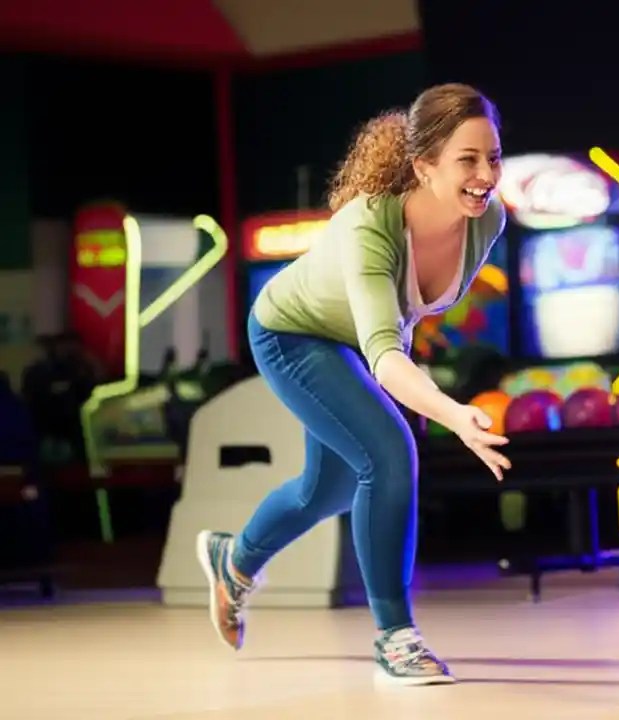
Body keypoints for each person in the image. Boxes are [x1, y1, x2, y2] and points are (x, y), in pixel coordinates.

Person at [195, 83, 512, 686]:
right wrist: (450, 411)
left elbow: (405, 315)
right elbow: (384, 353)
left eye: (492, 156)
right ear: (423, 165)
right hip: (291, 334)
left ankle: (232, 561)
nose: (484, 174)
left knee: (329, 489)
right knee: (390, 456)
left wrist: (425, 396)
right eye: (466, 160)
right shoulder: (369, 223)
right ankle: (396, 636)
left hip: (356, 345)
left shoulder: (486, 219)